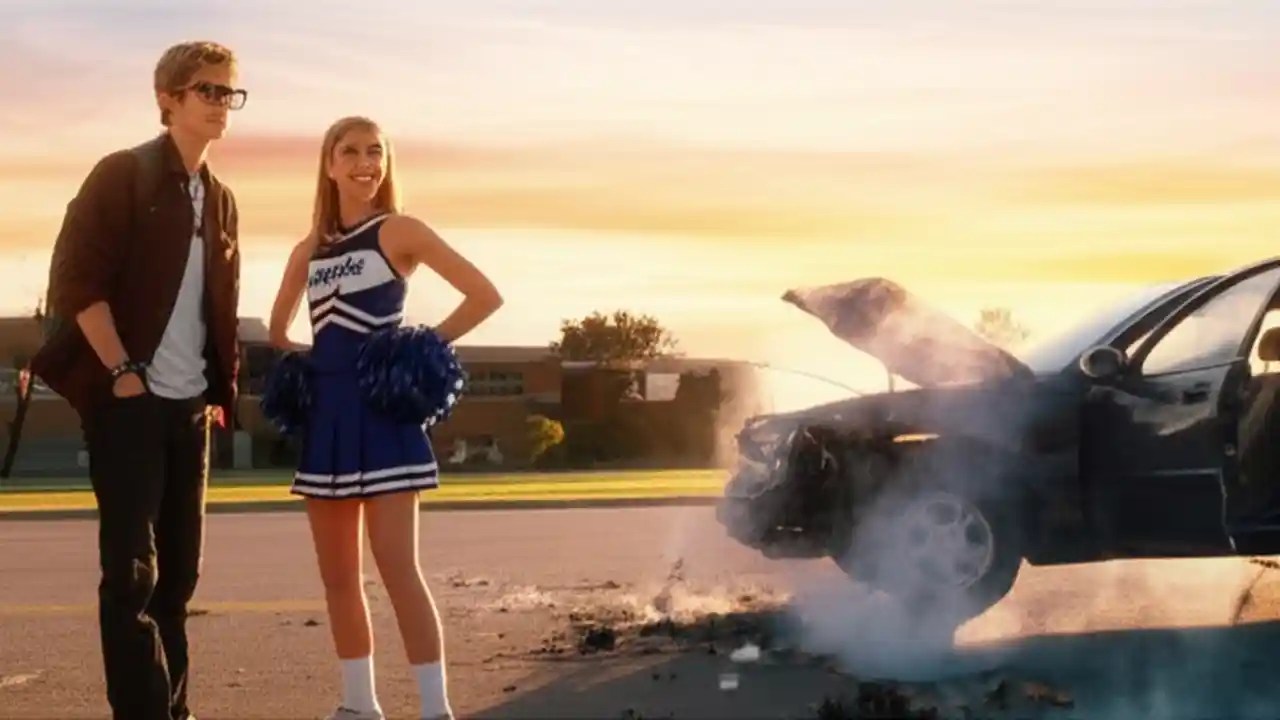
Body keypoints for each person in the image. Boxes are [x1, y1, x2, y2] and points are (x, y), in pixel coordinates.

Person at [29, 41, 246, 720]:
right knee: (131, 576)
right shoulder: (120, 175)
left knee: (179, 581)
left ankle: (172, 710)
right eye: (207, 91)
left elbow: (220, 306)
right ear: (168, 99)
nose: (220, 104)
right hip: (130, 404)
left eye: (228, 93)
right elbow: (76, 281)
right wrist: (122, 371)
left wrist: (216, 393)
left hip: (190, 409)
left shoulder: (221, 200)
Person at [266, 115, 503, 720]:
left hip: (384, 416)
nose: (364, 162)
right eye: (350, 152)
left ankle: (434, 711)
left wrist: (417, 349)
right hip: (328, 420)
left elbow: (484, 295)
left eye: (376, 152)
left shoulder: (399, 230)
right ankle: (358, 705)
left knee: (399, 570)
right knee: (339, 577)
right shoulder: (309, 248)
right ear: (329, 164)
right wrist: (310, 368)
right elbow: (276, 330)